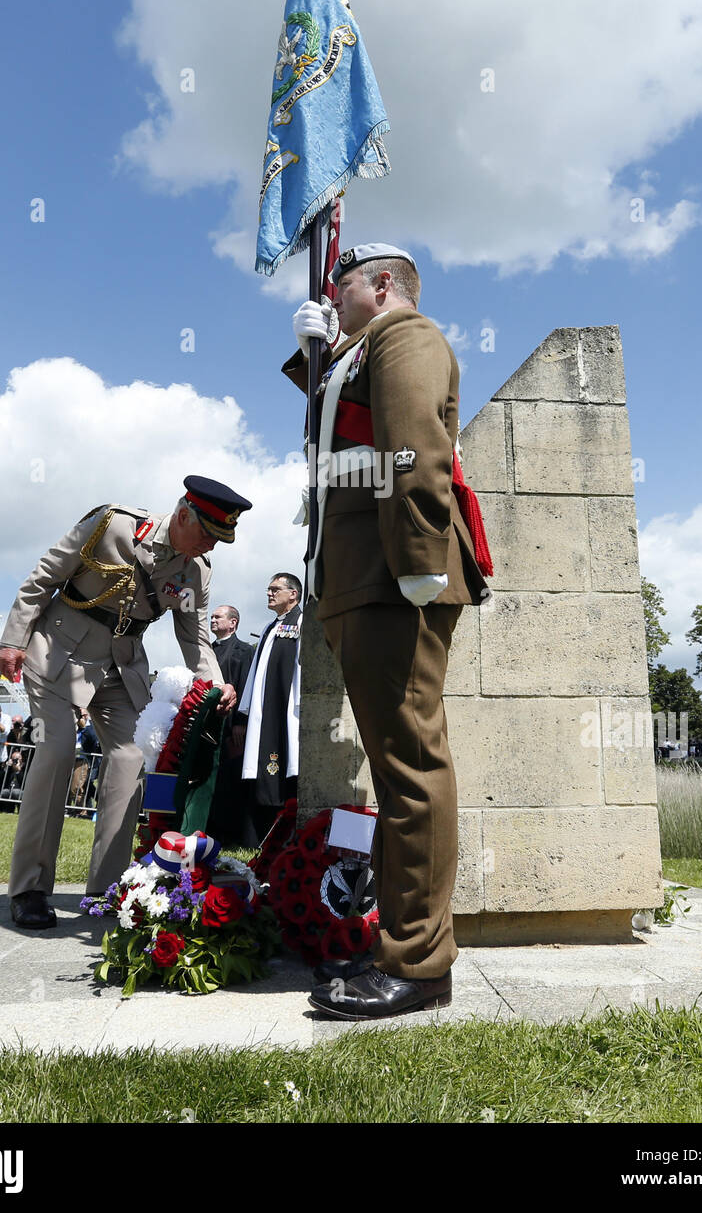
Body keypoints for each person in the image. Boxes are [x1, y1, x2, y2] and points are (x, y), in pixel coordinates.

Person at [285, 243, 491, 1020]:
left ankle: (419, 965)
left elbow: (413, 449)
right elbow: (345, 424)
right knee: (397, 763)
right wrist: (314, 357)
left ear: (380, 285)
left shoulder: (406, 337)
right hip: (360, 578)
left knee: (411, 767)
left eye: (340, 291)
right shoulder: (361, 350)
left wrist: (415, 562)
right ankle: (398, 946)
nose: (332, 301)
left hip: (393, 578)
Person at [0, 476, 252, 929]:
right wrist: (13, 640)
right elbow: (45, 575)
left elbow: (194, 638)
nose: (210, 545)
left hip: (121, 665)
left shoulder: (195, 571)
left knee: (132, 757)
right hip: (59, 652)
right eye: (207, 534)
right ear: (184, 514)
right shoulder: (113, 525)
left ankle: (110, 887)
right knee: (56, 752)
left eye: (219, 539)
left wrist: (216, 683)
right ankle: (31, 888)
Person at [233, 573, 302, 847]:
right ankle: (259, 837)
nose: (269, 594)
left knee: (287, 763)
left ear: (293, 594)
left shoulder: (303, 623)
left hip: (289, 711)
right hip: (265, 714)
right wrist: (244, 713)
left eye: (275, 589)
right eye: (268, 589)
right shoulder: (269, 628)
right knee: (263, 768)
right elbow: (254, 675)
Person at [207, 604, 255, 842]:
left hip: (231, 727)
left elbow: (247, 686)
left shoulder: (244, 651)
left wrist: (241, 722)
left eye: (218, 617)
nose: (212, 620)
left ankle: (228, 832)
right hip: (206, 724)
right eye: (211, 617)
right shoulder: (205, 651)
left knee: (228, 778)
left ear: (233, 622)